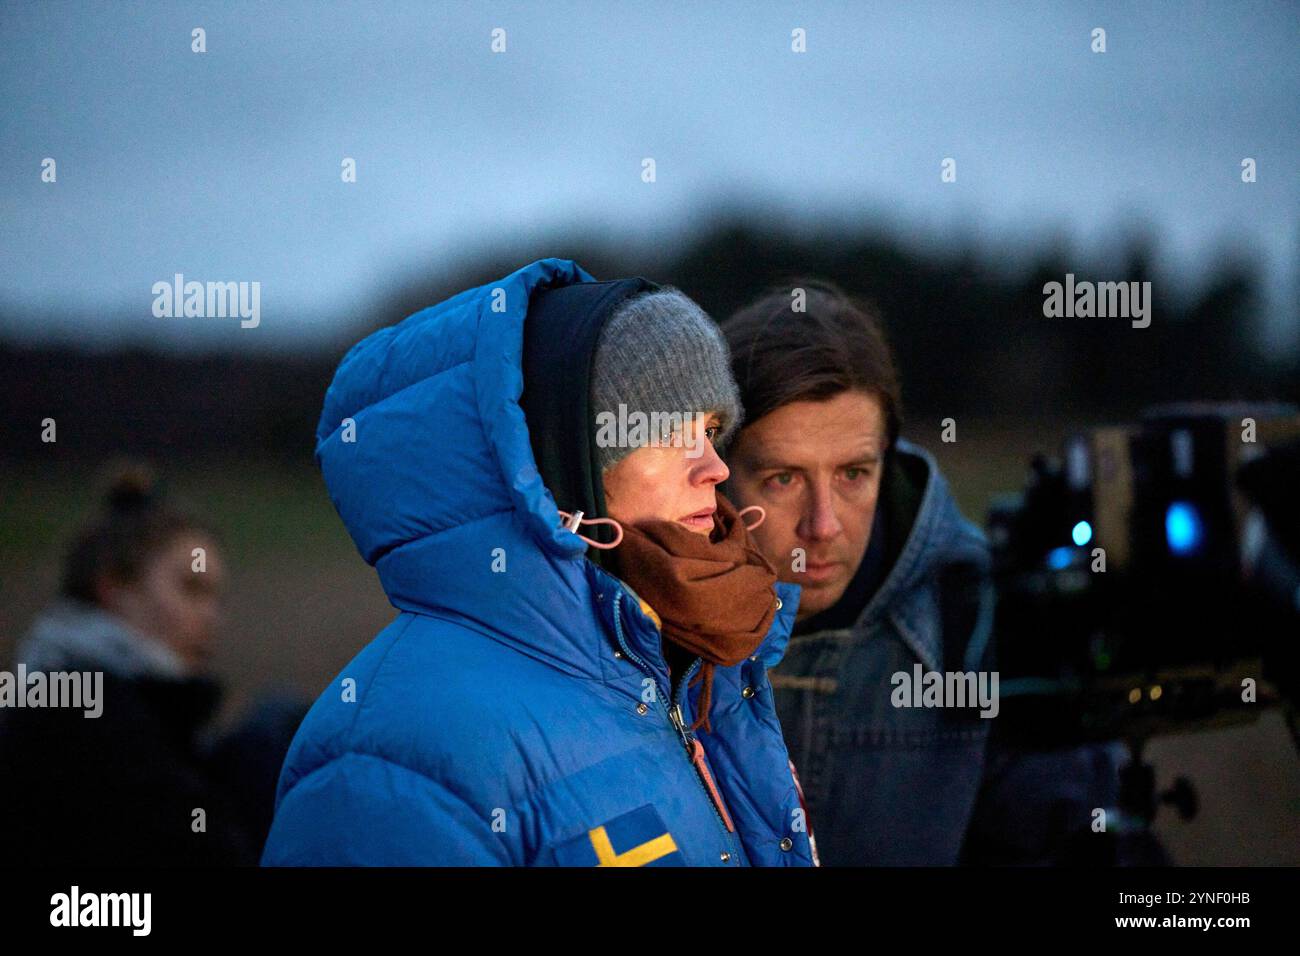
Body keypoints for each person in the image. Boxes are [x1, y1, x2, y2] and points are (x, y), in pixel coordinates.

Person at [261, 258, 815, 867]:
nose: (715, 468)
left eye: (711, 429)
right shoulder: (383, 766)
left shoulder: (696, 667)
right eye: (667, 432)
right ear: (563, 459)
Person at [718, 281, 994, 865]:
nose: (823, 526)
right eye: (782, 478)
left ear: (886, 461)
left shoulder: (975, 619)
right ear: (715, 475)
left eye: (853, 475)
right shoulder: (640, 633)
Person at [0, 465, 300, 866]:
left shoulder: (88, 699)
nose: (212, 618)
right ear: (113, 589)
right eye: (191, 589)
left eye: (216, 598)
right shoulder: (81, 712)